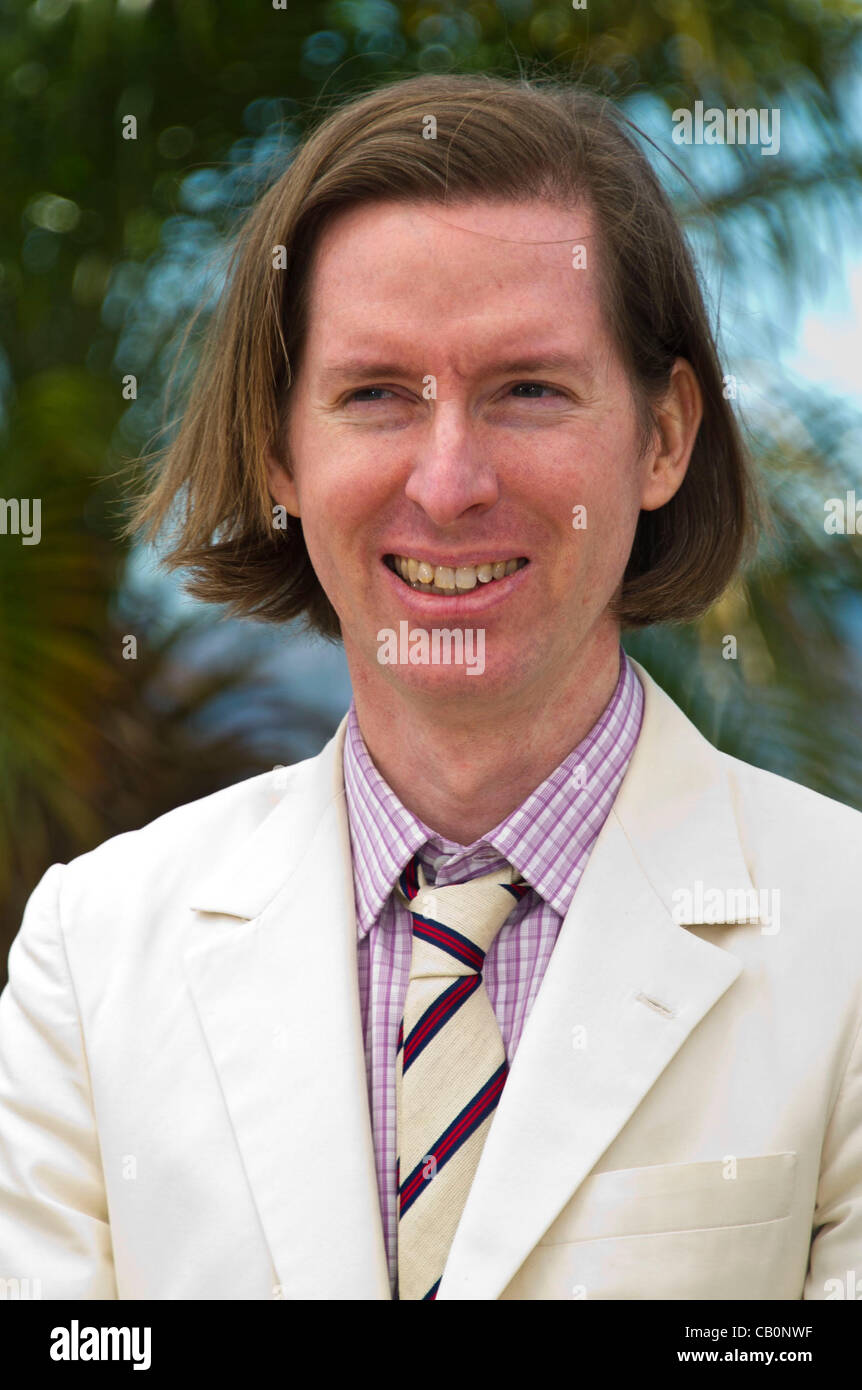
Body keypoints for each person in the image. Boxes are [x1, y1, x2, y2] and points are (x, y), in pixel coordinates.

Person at [1, 72, 860, 1302]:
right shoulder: (92, 959)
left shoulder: (848, 939)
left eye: (527, 388)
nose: (449, 482)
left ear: (664, 437)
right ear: (276, 452)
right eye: (375, 395)